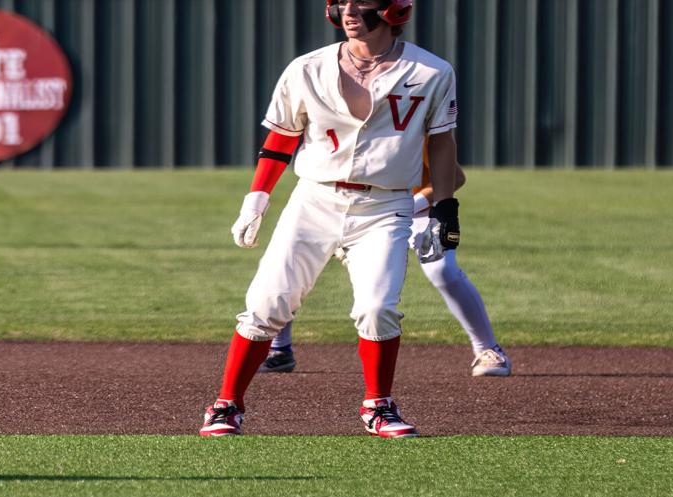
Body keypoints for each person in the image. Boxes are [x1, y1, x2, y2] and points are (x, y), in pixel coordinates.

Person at [201, 0, 461, 438]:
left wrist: (444, 208)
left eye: (362, 3)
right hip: (314, 200)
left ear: (396, 8)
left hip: (386, 205)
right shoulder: (306, 68)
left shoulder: (432, 71)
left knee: (378, 308)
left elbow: (442, 142)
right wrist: (257, 198)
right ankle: (227, 405)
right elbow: (282, 137)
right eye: (342, 2)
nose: (349, 11)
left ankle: (378, 406)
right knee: (266, 304)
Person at [259, 151, 511, 378]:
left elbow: (455, 177)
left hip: (415, 209)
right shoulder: (342, 117)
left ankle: (487, 348)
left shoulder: (406, 113)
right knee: (295, 261)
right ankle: (279, 349)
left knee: (442, 269)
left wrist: (414, 205)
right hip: (352, 209)